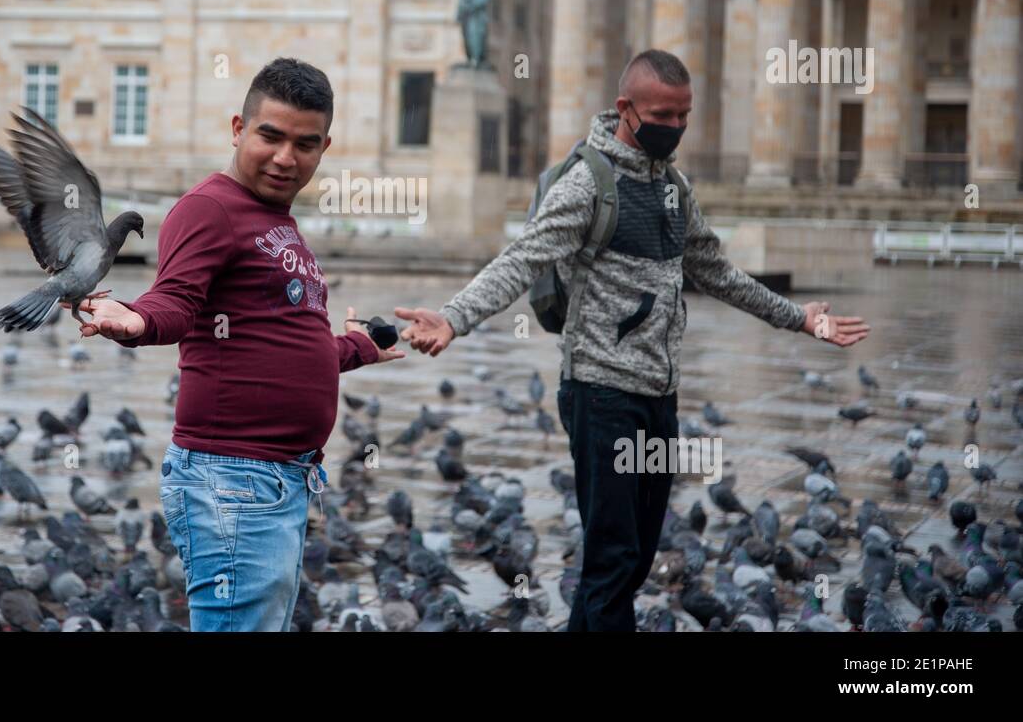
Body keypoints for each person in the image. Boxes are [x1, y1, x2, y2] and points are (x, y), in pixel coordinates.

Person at [396, 49, 869, 631]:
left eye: (683, 116)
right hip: (602, 396)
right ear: (625, 108)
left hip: (658, 398)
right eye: (662, 115)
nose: (674, 128)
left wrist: (797, 317)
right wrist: (453, 317)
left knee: (636, 557)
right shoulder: (588, 185)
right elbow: (521, 260)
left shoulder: (675, 188)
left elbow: (717, 273)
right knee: (613, 559)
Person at [71, 57, 403, 631]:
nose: (284, 157)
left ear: (325, 147)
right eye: (269, 136)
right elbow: (176, 301)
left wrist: (357, 348)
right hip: (233, 482)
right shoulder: (209, 209)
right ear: (237, 129)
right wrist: (137, 320)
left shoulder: (274, 220)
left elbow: (279, 342)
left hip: (274, 480)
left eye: (305, 143)